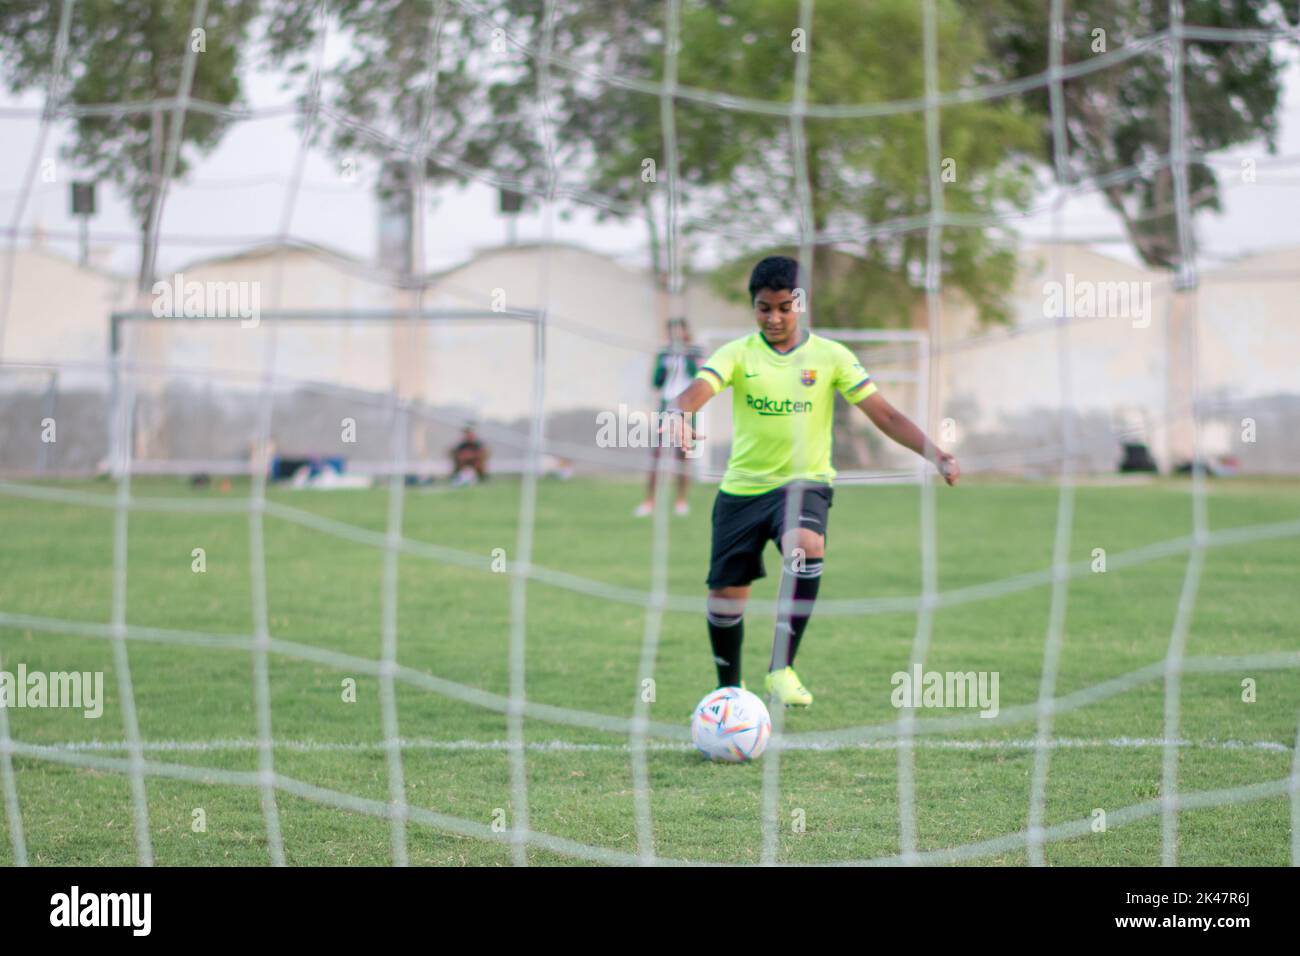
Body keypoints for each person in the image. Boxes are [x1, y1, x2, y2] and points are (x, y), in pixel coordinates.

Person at [661, 256, 959, 706]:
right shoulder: (737, 354)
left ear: (801, 303)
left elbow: (886, 414)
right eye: (764, 308)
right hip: (742, 491)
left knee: (806, 544)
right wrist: (678, 413)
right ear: (753, 307)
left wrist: (935, 453)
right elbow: (695, 391)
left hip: (805, 484)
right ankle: (729, 692)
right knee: (725, 602)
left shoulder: (831, 356)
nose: (774, 317)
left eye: (784, 307)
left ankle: (781, 668)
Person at [634, 317, 701, 517]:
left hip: (687, 406)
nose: (676, 334)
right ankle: (649, 501)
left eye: (679, 330)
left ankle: (681, 500)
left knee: (684, 454)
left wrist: (686, 358)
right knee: (657, 455)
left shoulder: (694, 352)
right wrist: (665, 367)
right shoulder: (664, 353)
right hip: (667, 405)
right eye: (672, 331)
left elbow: (697, 376)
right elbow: (655, 381)